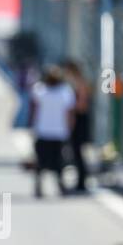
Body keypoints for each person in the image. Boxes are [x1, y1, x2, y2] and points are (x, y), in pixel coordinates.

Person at [29, 64, 75, 198]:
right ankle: (57, 185)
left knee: (44, 161)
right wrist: (69, 128)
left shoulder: (40, 90)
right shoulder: (64, 92)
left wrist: (32, 125)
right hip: (57, 131)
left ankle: (43, 185)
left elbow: (34, 110)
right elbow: (69, 113)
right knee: (57, 161)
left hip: (45, 130)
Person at [64, 59, 92, 193]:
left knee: (78, 152)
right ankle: (80, 180)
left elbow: (82, 106)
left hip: (79, 121)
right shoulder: (73, 84)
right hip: (76, 120)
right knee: (75, 152)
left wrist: (69, 108)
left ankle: (82, 181)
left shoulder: (80, 84)